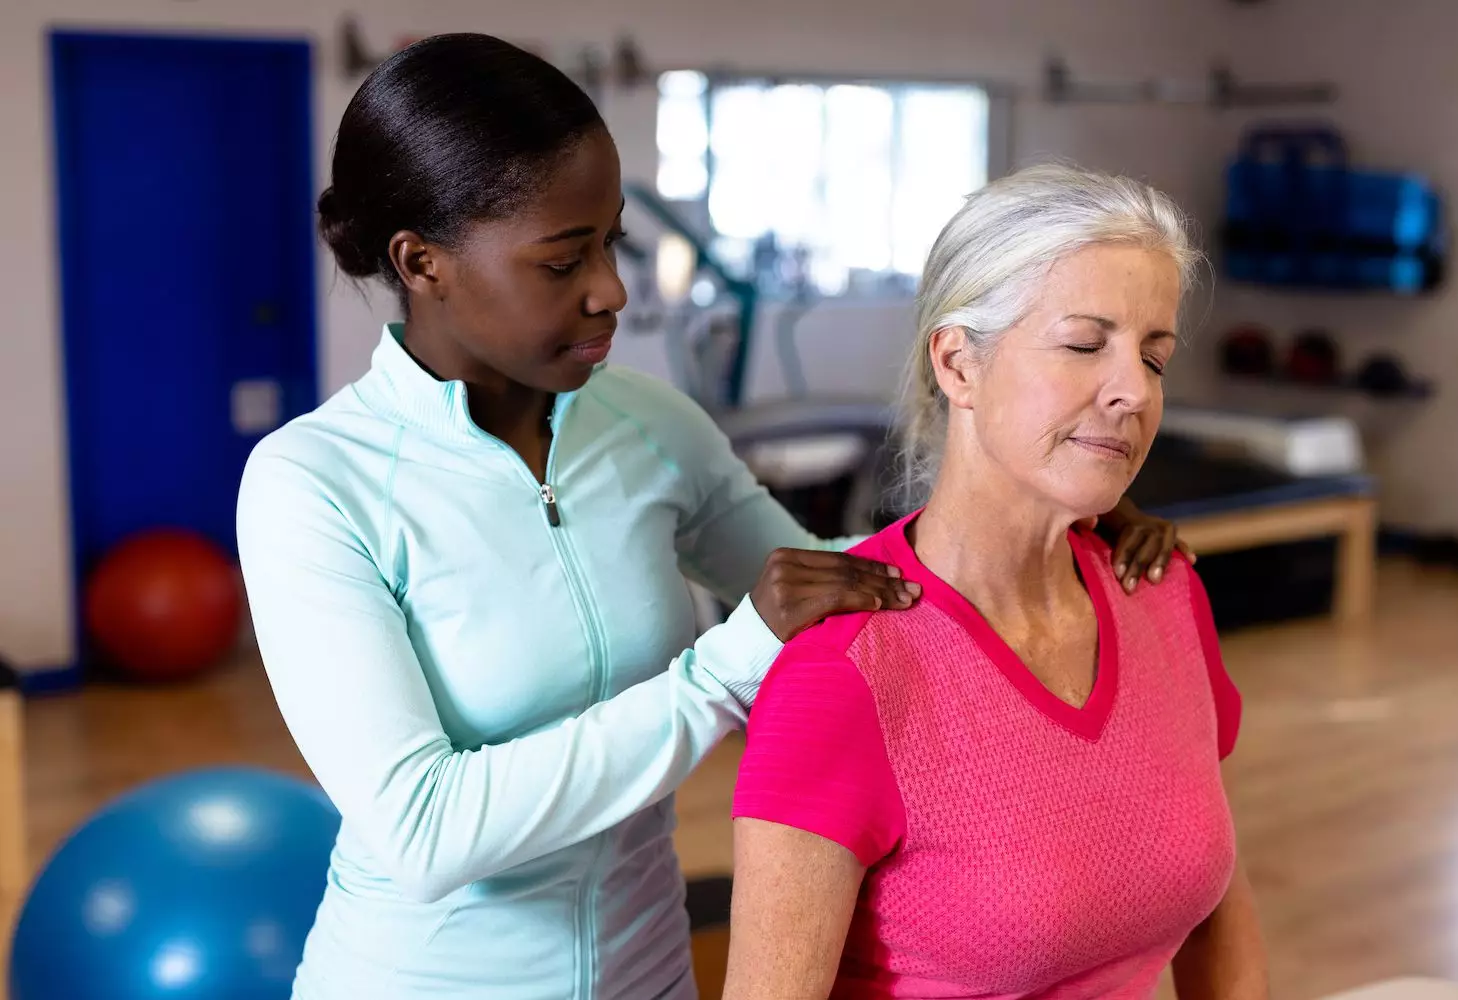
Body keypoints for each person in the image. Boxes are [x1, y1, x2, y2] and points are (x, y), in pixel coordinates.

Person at [235, 34, 1199, 1000]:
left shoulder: (647, 424)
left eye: (611, 241)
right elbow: (423, 828)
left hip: (650, 974)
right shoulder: (315, 486)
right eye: (564, 259)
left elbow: (853, 580)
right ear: (422, 262)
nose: (611, 289)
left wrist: (1054, 517)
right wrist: (722, 670)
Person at [724, 164, 1270, 1000]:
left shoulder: (1161, 590)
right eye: (1086, 344)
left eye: (1153, 358)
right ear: (958, 364)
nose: (1133, 391)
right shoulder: (844, 676)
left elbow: (1218, 901)